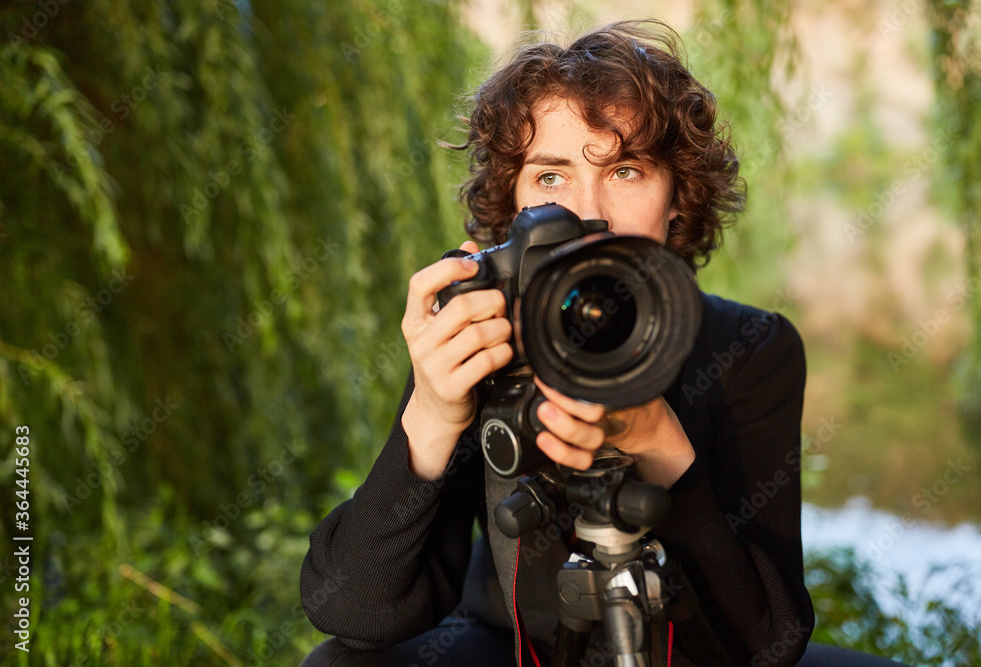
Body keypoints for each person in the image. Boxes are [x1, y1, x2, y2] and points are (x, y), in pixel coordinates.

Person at [299, 19, 883, 667]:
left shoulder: (748, 348)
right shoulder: (482, 331)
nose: (589, 213)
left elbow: (767, 645)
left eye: (625, 170)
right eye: (551, 178)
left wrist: (657, 443)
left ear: (678, 198)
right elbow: (354, 612)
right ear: (513, 204)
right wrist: (433, 415)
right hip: (512, 646)